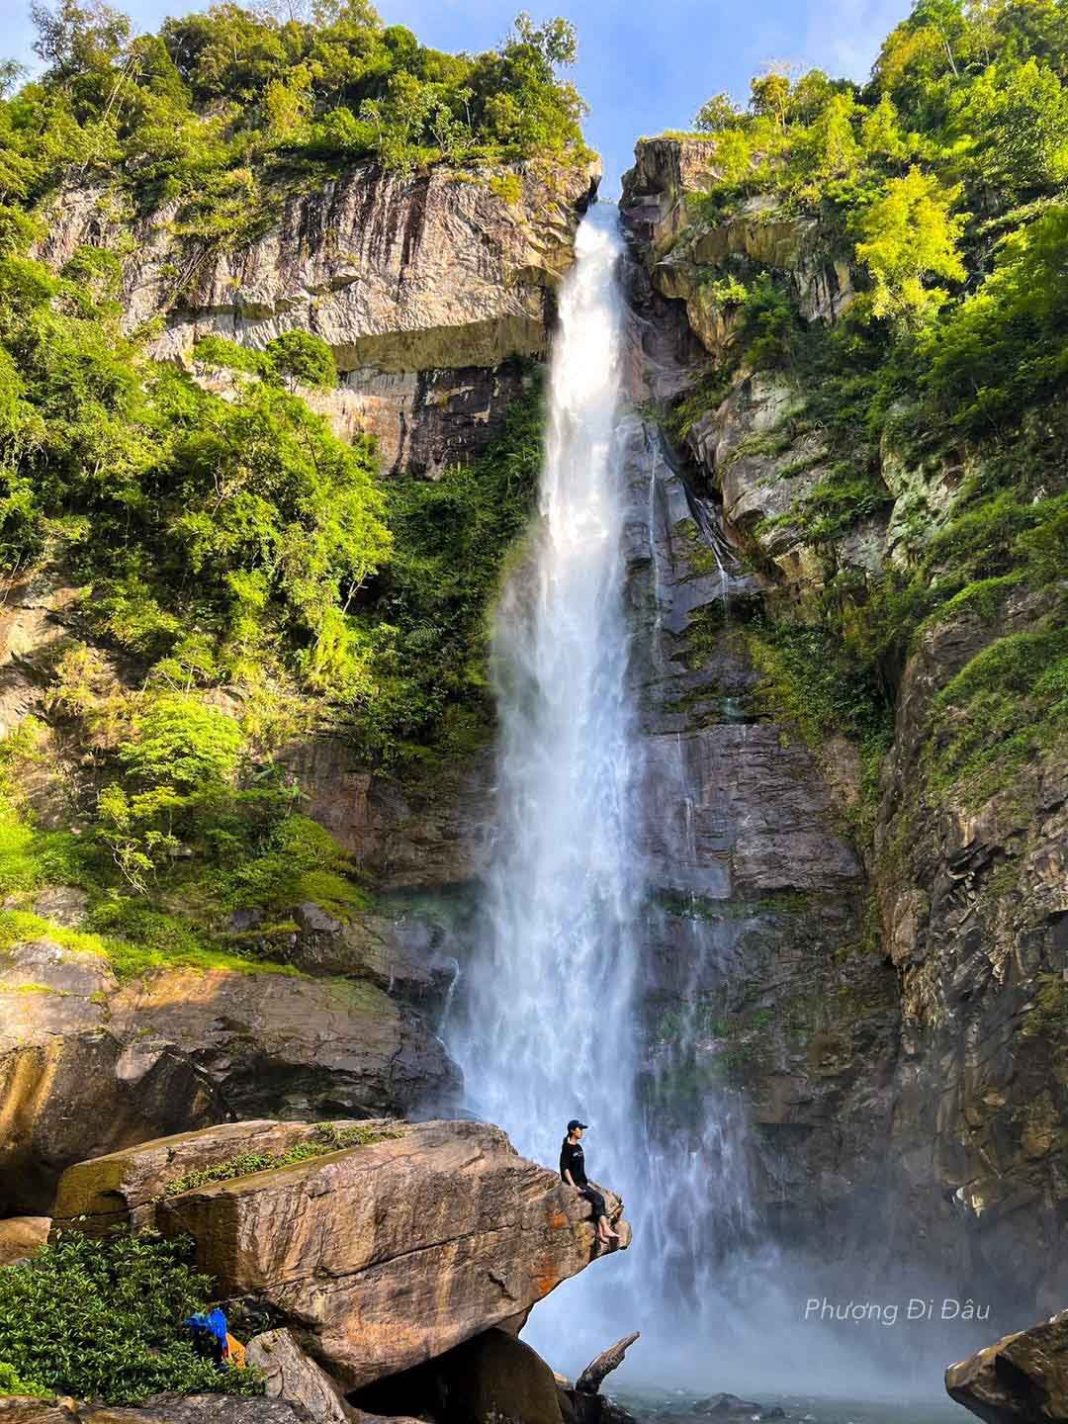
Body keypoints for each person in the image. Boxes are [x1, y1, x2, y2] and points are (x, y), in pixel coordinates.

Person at [559, 1119, 620, 1246]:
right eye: (579, 1129)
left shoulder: (578, 1147)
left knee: (597, 1201)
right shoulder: (566, 1148)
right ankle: (606, 1229)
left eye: (582, 1129)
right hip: (575, 1183)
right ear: (572, 1130)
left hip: (582, 1182)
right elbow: (565, 1168)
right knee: (598, 1199)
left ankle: (600, 1233)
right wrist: (573, 1186)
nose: (581, 1131)